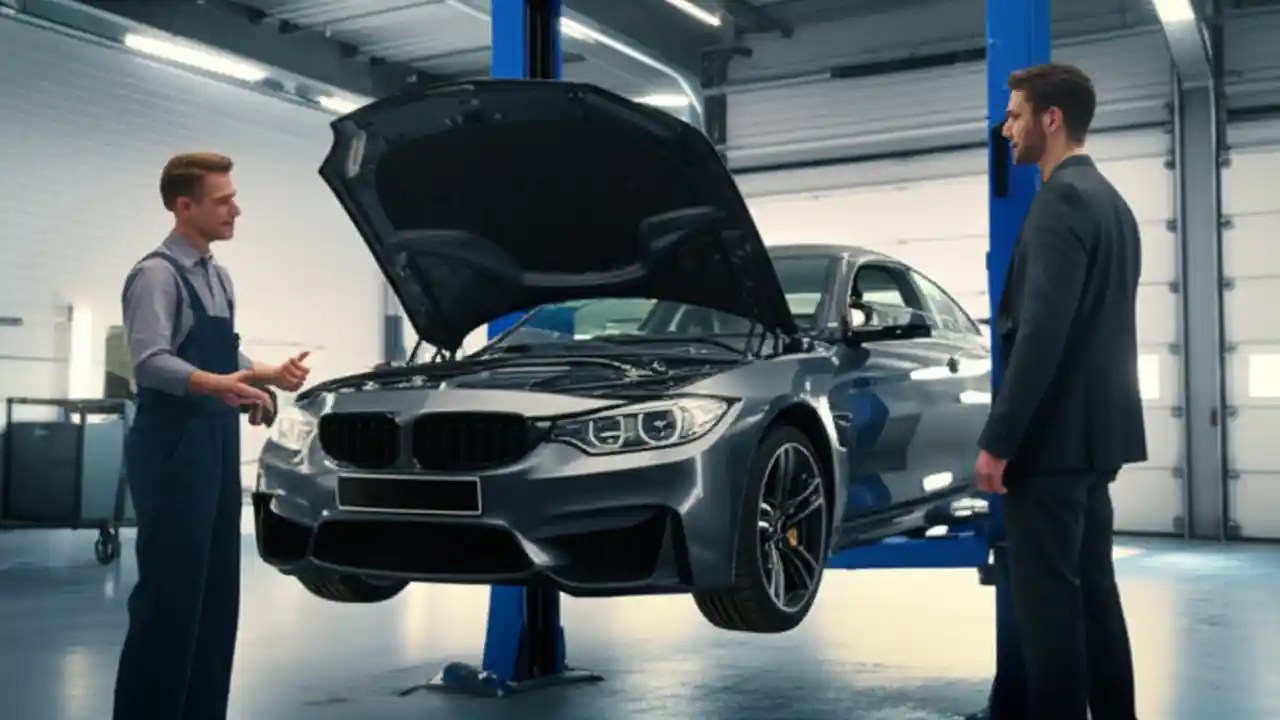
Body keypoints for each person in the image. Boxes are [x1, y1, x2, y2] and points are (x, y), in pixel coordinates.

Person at [973, 64, 1145, 720]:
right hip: (1096, 443)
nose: (1005, 128)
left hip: (1050, 447)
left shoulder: (1060, 201)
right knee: (1095, 598)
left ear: (1051, 119)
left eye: (1015, 114)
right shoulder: (1114, 205)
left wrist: (999, 441)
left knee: (1049, 615)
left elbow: (1041, 336)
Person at [114, 151, 311, 719]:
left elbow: (221, 354)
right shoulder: (155, 274)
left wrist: (265, 377)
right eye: (223, 200)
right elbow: (150, 362)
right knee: (170, 599)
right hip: (173, 447)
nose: (235, 210)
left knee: (216, 595)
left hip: (215, 445)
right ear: (185, 205)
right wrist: (216, 384)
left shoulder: (217, 276)